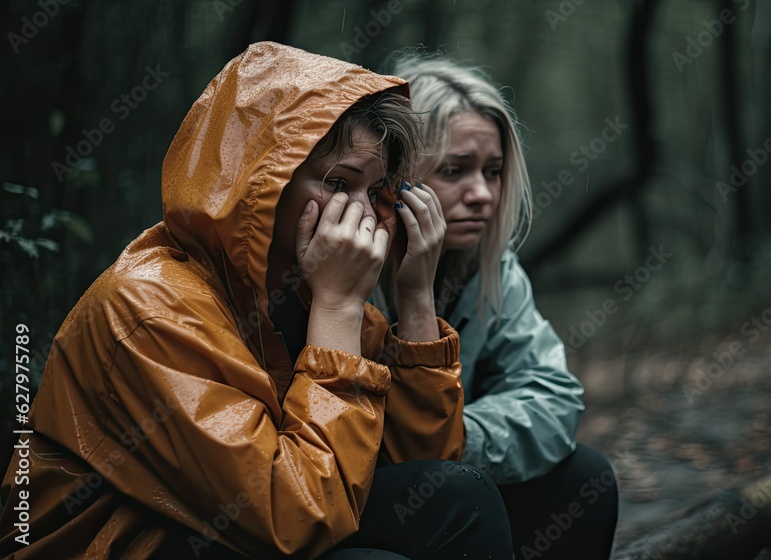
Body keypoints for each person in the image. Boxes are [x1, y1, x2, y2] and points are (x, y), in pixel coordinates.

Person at [0, 42, 514, 559]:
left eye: (375, 189)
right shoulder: (148, 307)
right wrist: (336, 310)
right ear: (259, 185)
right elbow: (298, 516)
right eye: (338, 183)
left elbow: (425, 468)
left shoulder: (311, 291)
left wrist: (417, 297)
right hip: (129, 547)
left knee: (459, 499)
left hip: (254, 528)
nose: (361, 213)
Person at [388, 55, 620, 558]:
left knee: (586, 476)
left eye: (493, 171)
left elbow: (553, 396)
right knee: (459, 493)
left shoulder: (493, 271)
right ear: (397, 174)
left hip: (455, 476)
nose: (482, 194)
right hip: (363, 498)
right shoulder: (349, 267)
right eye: (454, 170)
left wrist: (455, 438)